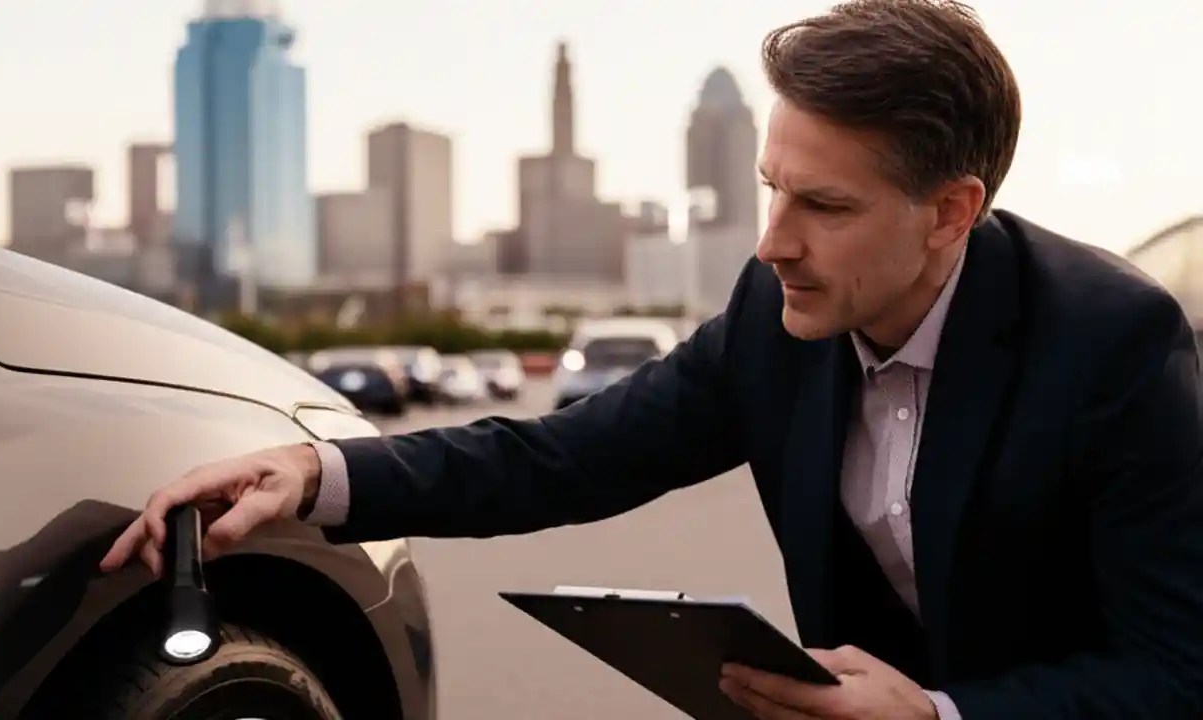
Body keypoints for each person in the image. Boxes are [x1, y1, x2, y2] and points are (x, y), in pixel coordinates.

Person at [101, 1, 1203, 717]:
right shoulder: (775, 316)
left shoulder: (1110, 345)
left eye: (821, 205)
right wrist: (314, 473)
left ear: (949, 213)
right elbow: (561, 457)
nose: (772, 241)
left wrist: (932, 715)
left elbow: (1174, 672)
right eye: (771, 187)